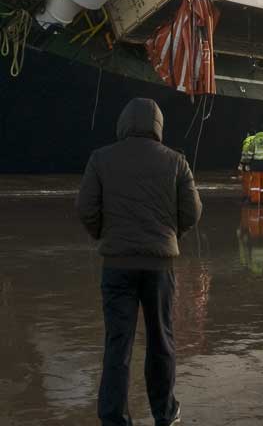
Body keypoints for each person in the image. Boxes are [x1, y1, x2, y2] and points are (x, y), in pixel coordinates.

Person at [76, 98, 202, 426]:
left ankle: (114, 417)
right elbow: (192, 212)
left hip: (117, 266)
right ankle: (165, 412)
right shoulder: (176, 161)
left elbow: (86, 208)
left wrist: (106, 238)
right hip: (159, 267)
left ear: (123, 123)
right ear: (158, 125)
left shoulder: (101, 159)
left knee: (118, 342)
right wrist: (171, 236)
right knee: (161, 339)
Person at [248, 126, 263, 205]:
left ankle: (255, 201)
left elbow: (249, 154)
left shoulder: (254, 140)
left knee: (255, 184)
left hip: (256, 165)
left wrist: (247, 163)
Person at [239, 130, 255, 201]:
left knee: (246, 180)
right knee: (255, 180)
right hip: (258, 163)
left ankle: (247, 196)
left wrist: (241, 164)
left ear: (248, 134)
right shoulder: (257, 140)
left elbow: (245, 153)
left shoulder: (247, 141)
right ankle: (255, 196)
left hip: (248, 163)